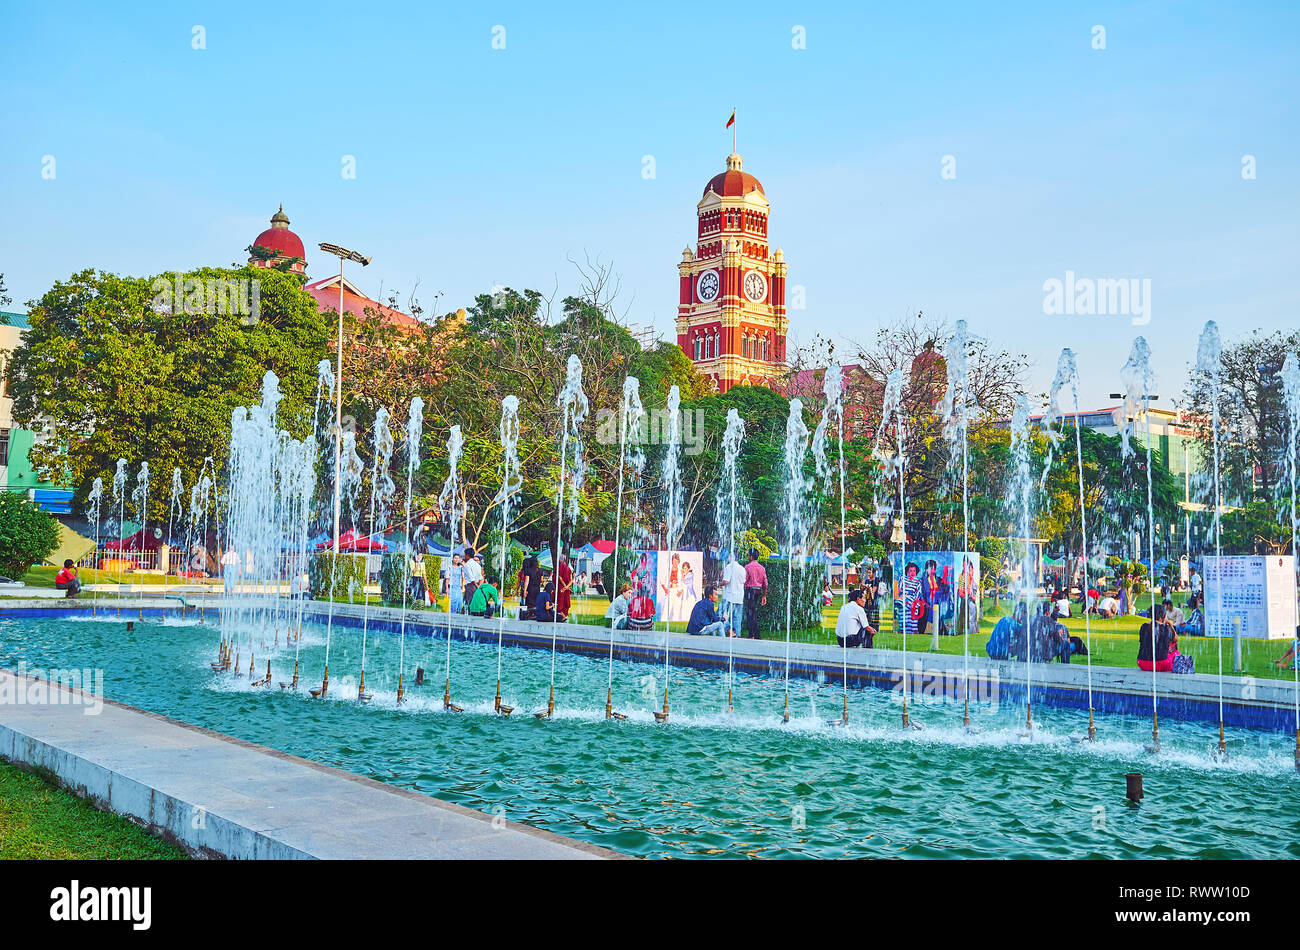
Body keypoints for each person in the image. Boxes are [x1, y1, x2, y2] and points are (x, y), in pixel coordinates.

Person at [1137, 604, 1177, 672]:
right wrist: (1170, 625)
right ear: (1164, 616)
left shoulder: (1143, 626)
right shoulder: (1166, 628)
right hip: (1161, 664)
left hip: (1142, 663)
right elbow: (1175, 639)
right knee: (1176, 652)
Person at [742, 549, 768, 639]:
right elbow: (765, 583)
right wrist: (764, 595)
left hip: (750, 591)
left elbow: (744, 580)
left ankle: (753, 635)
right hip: (758, 591)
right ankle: (753, 634)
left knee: (750, 613)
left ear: (751, 556)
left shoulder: (748, 567)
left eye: (748, 555)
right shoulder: (762, 568)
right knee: (752, 612)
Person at [721, 556, 746, 637]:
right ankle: (737, 634)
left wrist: (719, 583)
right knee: (737, 618)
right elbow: (743, 581)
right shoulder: (742, 568)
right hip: (739, 597)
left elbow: (726, 581)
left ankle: (725, 632)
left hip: (730, 596)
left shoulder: (728, 568)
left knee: (724, 615)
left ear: (731, 557)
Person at [519, 555, 542, 620]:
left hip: (530, 588)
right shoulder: (540, 570)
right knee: (535, 601)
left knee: (529, 601)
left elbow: (527, 581)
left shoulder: (528, 571)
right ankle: (535, 614)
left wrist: (525, 590)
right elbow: (542, 580)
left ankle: (529, 614)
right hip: (537, 588)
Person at [555, 555, 573, 620]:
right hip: (566, 588)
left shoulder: (559, 567)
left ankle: (563, 616)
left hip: (561, 588)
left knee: (560, 602)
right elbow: (571, 580)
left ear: (560, 560)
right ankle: (565, 616)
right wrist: (567, 587)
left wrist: (565, 587)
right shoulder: (569, 568)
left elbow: (560, 578)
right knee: (565, 602)